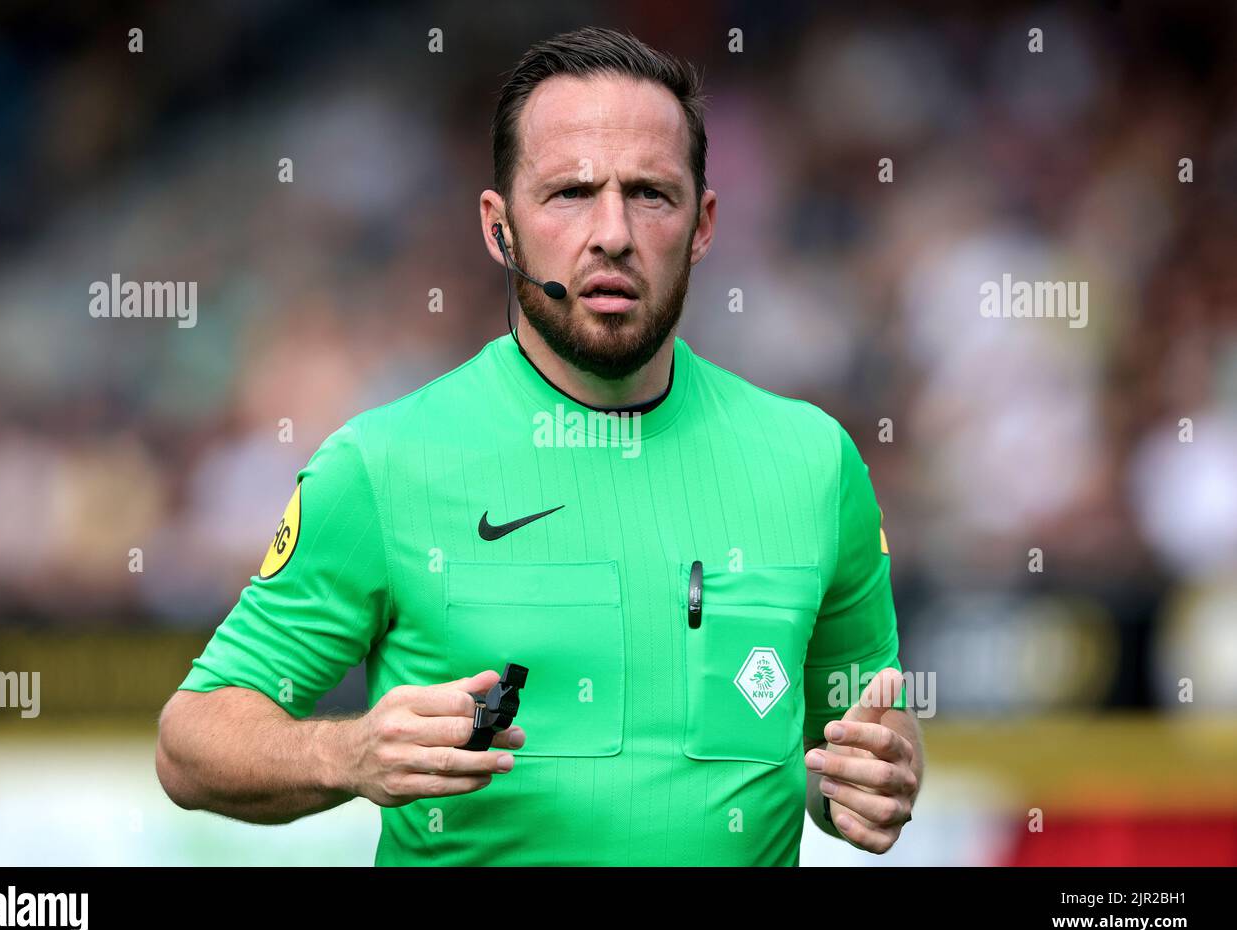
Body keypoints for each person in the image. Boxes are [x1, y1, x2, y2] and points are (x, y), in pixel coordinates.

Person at [156, 25, 924, 865]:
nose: (612, 234)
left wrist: (870, 783)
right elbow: (190, 744)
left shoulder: (813, 465)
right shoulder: (384, 466)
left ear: (703, 224)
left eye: (651, 194)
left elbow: (835, 757)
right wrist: (350, 755)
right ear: (500, 229)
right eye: (569, 194)